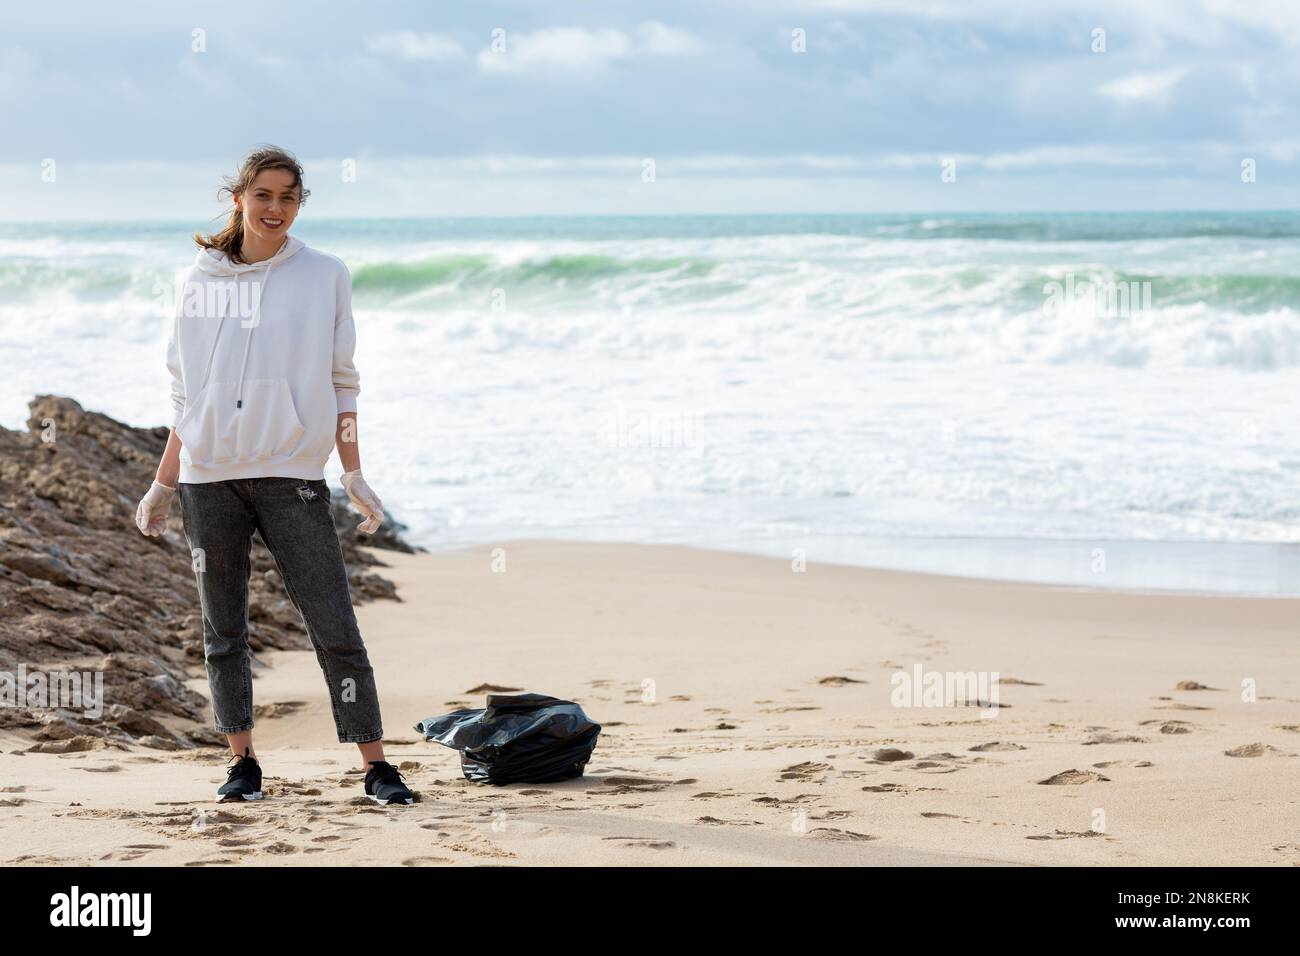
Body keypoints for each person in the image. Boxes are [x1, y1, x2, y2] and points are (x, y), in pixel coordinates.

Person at [134, 145, 413, 806]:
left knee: (334, 625)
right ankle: (242, 762)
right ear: (239, 197)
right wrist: (163, 483)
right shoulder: (197, 281)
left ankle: (376, 765)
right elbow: (186, 396)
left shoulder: (324, 276)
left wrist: (353, 471)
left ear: (300, 203)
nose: (276, 209)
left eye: (289, 197)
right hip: (209, 482)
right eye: (264, 195)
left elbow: (344, 385)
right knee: (223, 632)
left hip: (291, 476)